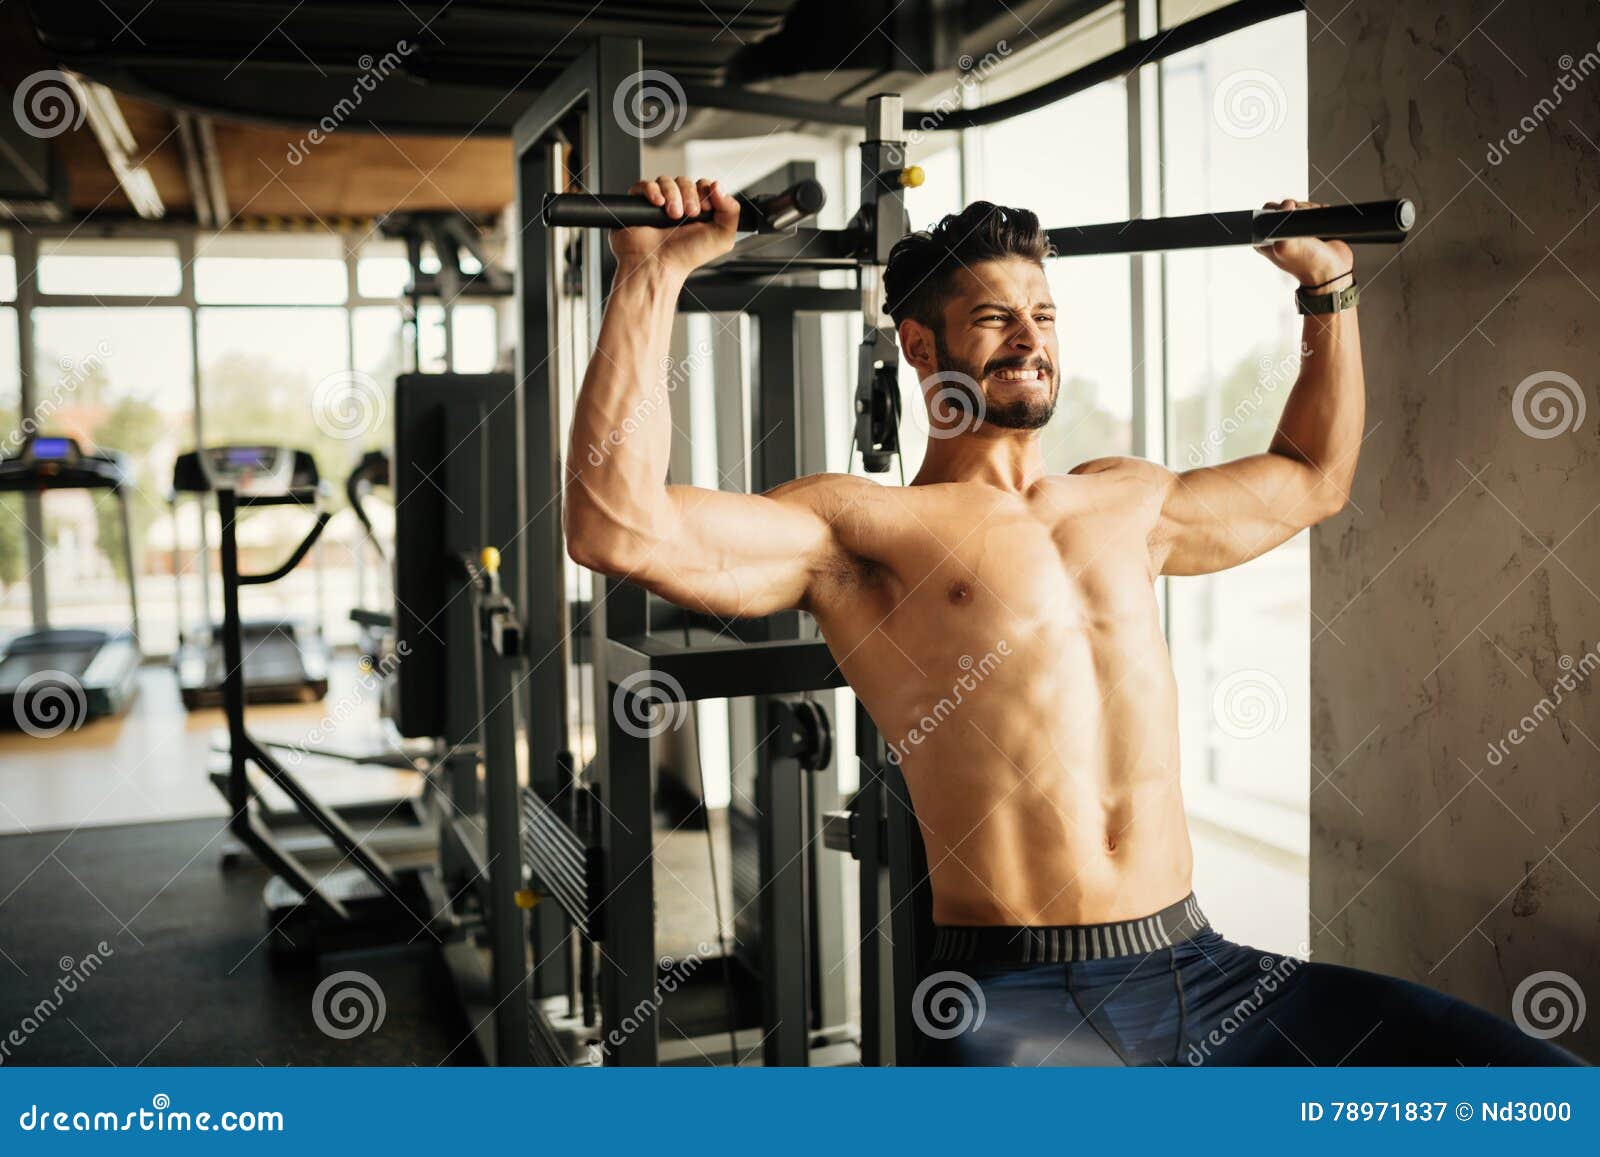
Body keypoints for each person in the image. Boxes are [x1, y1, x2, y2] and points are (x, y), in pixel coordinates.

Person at [564, 176, 1582, 1066]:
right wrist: (651, 277)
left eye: (1043, 316)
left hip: (1206, 969)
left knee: (1534, 1095)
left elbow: (1312, 477)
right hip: (1015, 1001)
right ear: (918, 344)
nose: (1030, 338)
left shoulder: (1124, 502)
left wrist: (1327, 290)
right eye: (996, 317)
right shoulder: (861, 528)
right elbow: (618, 526)